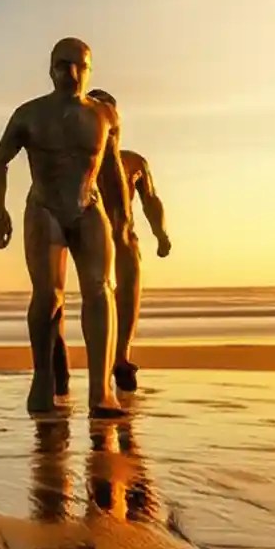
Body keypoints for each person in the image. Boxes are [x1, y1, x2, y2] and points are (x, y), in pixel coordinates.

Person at [0, 37, 130, 419]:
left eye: (80, 66)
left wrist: (125, 216)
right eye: (63, 64)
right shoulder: (29, 114)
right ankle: (42, 378)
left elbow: (113, 167)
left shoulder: (105, 116)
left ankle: (101, 390)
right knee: (48, 296)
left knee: (101, 290)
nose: (71, 72)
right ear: (50, 69)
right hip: (44, 208)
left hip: (88, 206)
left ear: (90, 70)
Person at [86, 88, 172, 392]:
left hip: (123, 236)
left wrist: (161, 234)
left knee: (130, 281)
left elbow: (151, 200)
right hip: (88, 235)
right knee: (93, 294)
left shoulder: (133, 162)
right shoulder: (83, 162)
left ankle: (121, 357)